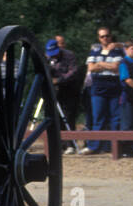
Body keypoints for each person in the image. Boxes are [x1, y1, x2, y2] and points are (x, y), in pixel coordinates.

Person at [81, 26, 123, 154]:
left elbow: (116, 67)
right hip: (98, 87)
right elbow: (91, 68)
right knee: (98, 117)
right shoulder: (94, 51)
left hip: (114, 87)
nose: (105, 39)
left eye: (107, 36)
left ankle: (112, 146)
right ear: (98, 38)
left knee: (115, 118)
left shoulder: (118, 51)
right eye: (102, 36)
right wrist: (106, 66)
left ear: (111, 36)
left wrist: (100, 64)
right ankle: (94, 146)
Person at [46, 37, 81, 145]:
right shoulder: (47, 56)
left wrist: (59, 79)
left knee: (68, 116)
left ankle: (70, 143)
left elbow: (74, 71)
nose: (53, 56)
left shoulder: (69, 55)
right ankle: (58, 144)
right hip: (54, 90)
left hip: (69, 88)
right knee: (55, 116)